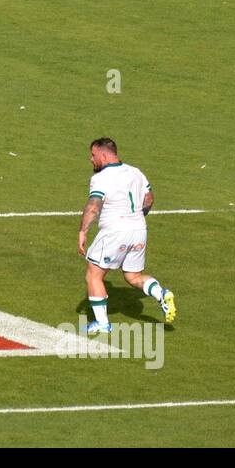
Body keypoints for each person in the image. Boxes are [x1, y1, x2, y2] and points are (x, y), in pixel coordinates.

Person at [76, 138, 176, 333]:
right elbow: (149, 198)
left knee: (93, 275)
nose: (91, 159)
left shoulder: (101, 178)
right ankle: (161, 294)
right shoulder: (135, 172)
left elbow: (93, 206)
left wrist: (83, 231)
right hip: (139, 230)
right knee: (133, 275)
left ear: (104, 155)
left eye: (93, 155)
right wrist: (138, 216)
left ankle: (103, 324)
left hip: (114, 232)